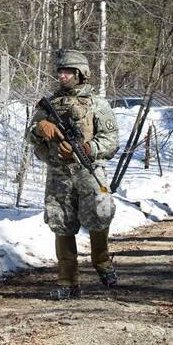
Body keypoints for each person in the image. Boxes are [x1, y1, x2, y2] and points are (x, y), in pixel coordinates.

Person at [28, 49, 119, 298]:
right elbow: (30, 137)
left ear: (81, 74)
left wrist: (88, 148)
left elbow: (111, 140)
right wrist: (40, 127)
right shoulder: (49, 105)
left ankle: (102, 262)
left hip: (89, 172)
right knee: (61, 224)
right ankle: (67, 282)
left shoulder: (97, 104)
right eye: (60, 71)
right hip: (59, 174)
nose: (63, 76)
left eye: (68, 71)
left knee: (101, 215)